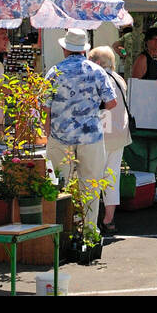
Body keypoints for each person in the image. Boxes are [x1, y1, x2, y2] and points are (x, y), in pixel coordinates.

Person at [45, 28, 118, 234]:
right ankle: (89, 232)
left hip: (61, 137)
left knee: (58, 186)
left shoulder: (54, 71)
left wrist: (48, 131)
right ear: (84, 49)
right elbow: (111, 102)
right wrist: (93, 108)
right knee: (91, 185)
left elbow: (45, 107)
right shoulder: (96, 70)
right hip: (91, 137)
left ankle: (59, 232)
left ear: (64, 48)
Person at [88, 45, 130, 237]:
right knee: (112, 178)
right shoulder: (119, 79)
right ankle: (109, 219)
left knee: (94, 177)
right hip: (120, 132)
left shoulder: (99, 78)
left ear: (97, 62)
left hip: (103, 133)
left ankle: (92, 219)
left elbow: (99, 107)